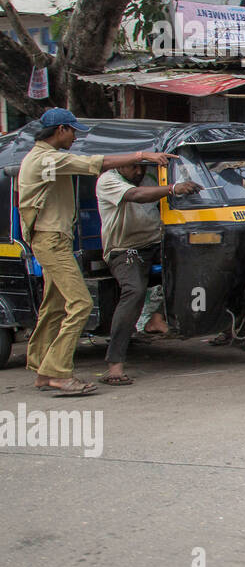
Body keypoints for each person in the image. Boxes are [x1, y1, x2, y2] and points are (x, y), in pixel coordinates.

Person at [18, 109, 176, 395]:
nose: (75, 137)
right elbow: (95, 163)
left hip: (54, 239)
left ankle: (42, 368)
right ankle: (57, 373)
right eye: (73, 131)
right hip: (50, 240)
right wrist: (142, 155)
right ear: (61, 129)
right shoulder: (46, 158)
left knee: (54, 307)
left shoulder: (45, 157)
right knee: (80, 304)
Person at [95, 163, 201, 385]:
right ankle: (115, 365)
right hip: (124, 249)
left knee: (201, 266)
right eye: (134, 167)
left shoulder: (151, 176)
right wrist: (173, 188)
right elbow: (136, 195)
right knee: (134, 291)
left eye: (143, 167)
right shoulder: (108, 180)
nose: (140, 172)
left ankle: (160, 318)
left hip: (155, 242)